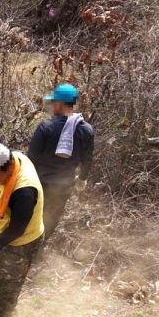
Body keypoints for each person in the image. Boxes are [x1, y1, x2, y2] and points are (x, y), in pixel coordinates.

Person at [0, 142, 45, 317]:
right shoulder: (10, 158)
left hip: (23, 241)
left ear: (4, 170)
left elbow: (18, 229)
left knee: (9, 286)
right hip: (9, 233)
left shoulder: (25, 192)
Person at [26, 83, 94, 238]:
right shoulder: (86, 130)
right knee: (50, 222)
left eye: (54, 103)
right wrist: (82, 179)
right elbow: (87, 159)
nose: (52, 107)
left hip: (40, 184)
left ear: (60, 104)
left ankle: (28, 254)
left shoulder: (45, 127)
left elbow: (32, 158)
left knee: (33, 221)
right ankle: (39, 252)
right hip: (64, 186)